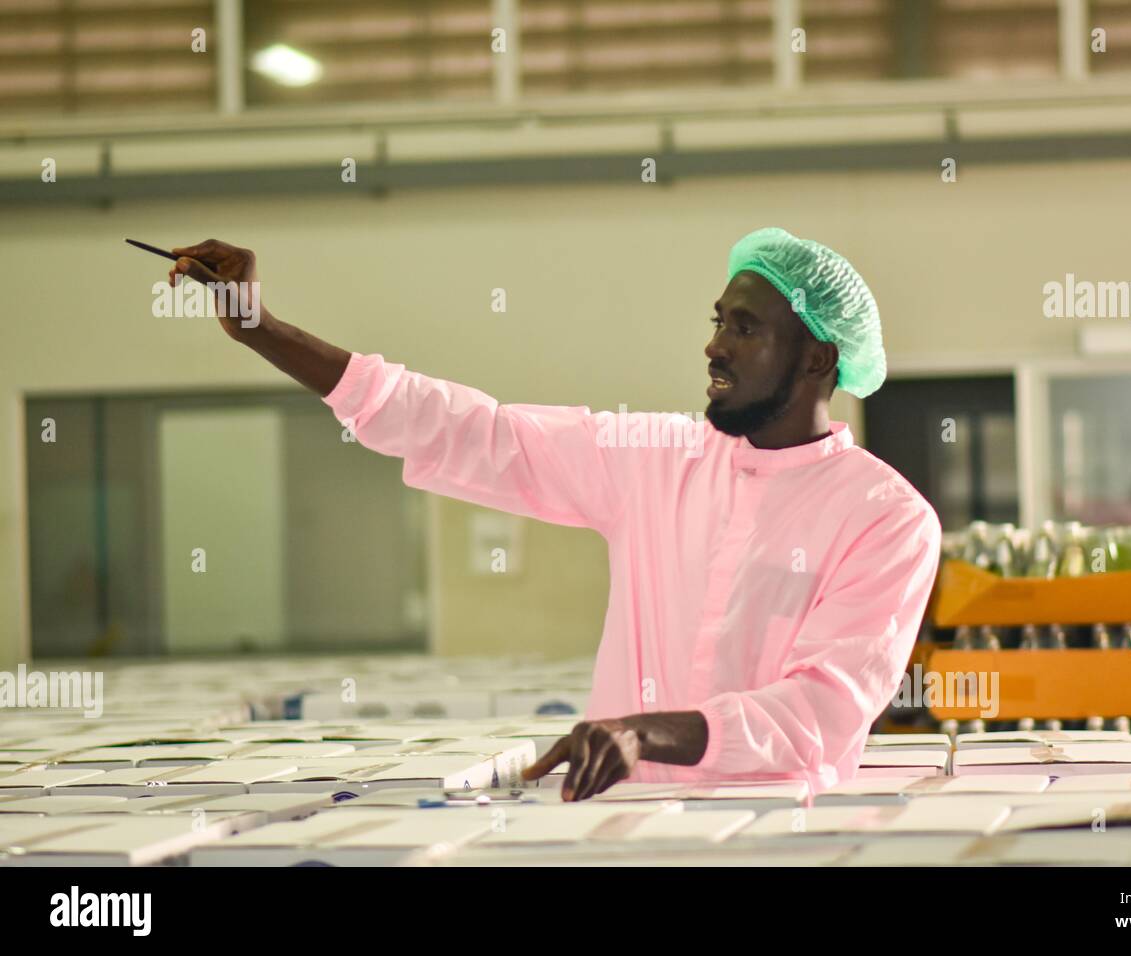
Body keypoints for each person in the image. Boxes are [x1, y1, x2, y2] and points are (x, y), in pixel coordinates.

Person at [166, 226, 941, 801]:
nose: (713, 346)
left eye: (745, 328)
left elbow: (822, 707)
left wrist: (645, 730)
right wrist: (261, 328)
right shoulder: (655, 460)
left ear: (816, 361)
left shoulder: (886, 519)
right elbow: (471, 430)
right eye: (717, 320)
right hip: (620, 835)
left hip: (784, 842)